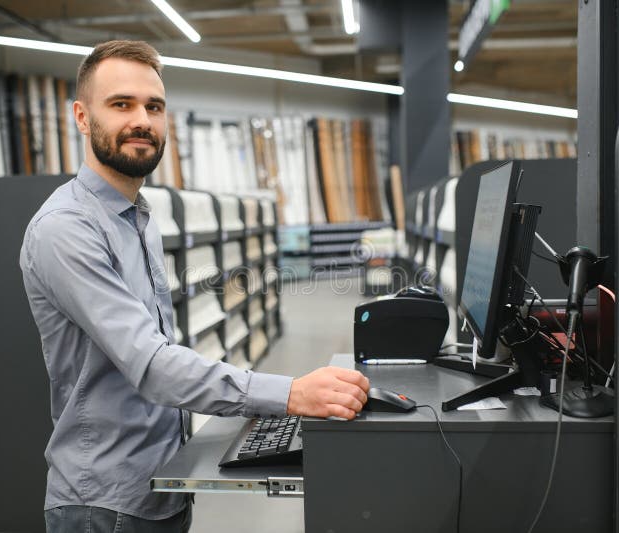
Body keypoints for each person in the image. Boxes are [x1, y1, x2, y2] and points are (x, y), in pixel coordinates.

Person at [19, 40, 370, 532]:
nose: (142, 119)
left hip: (159, 487)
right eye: (121, 104)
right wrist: (289, 394)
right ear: (82, 117)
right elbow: (152, 365)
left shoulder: (139, 218)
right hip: (104, 505)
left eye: (154, 106)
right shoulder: (66, 229)